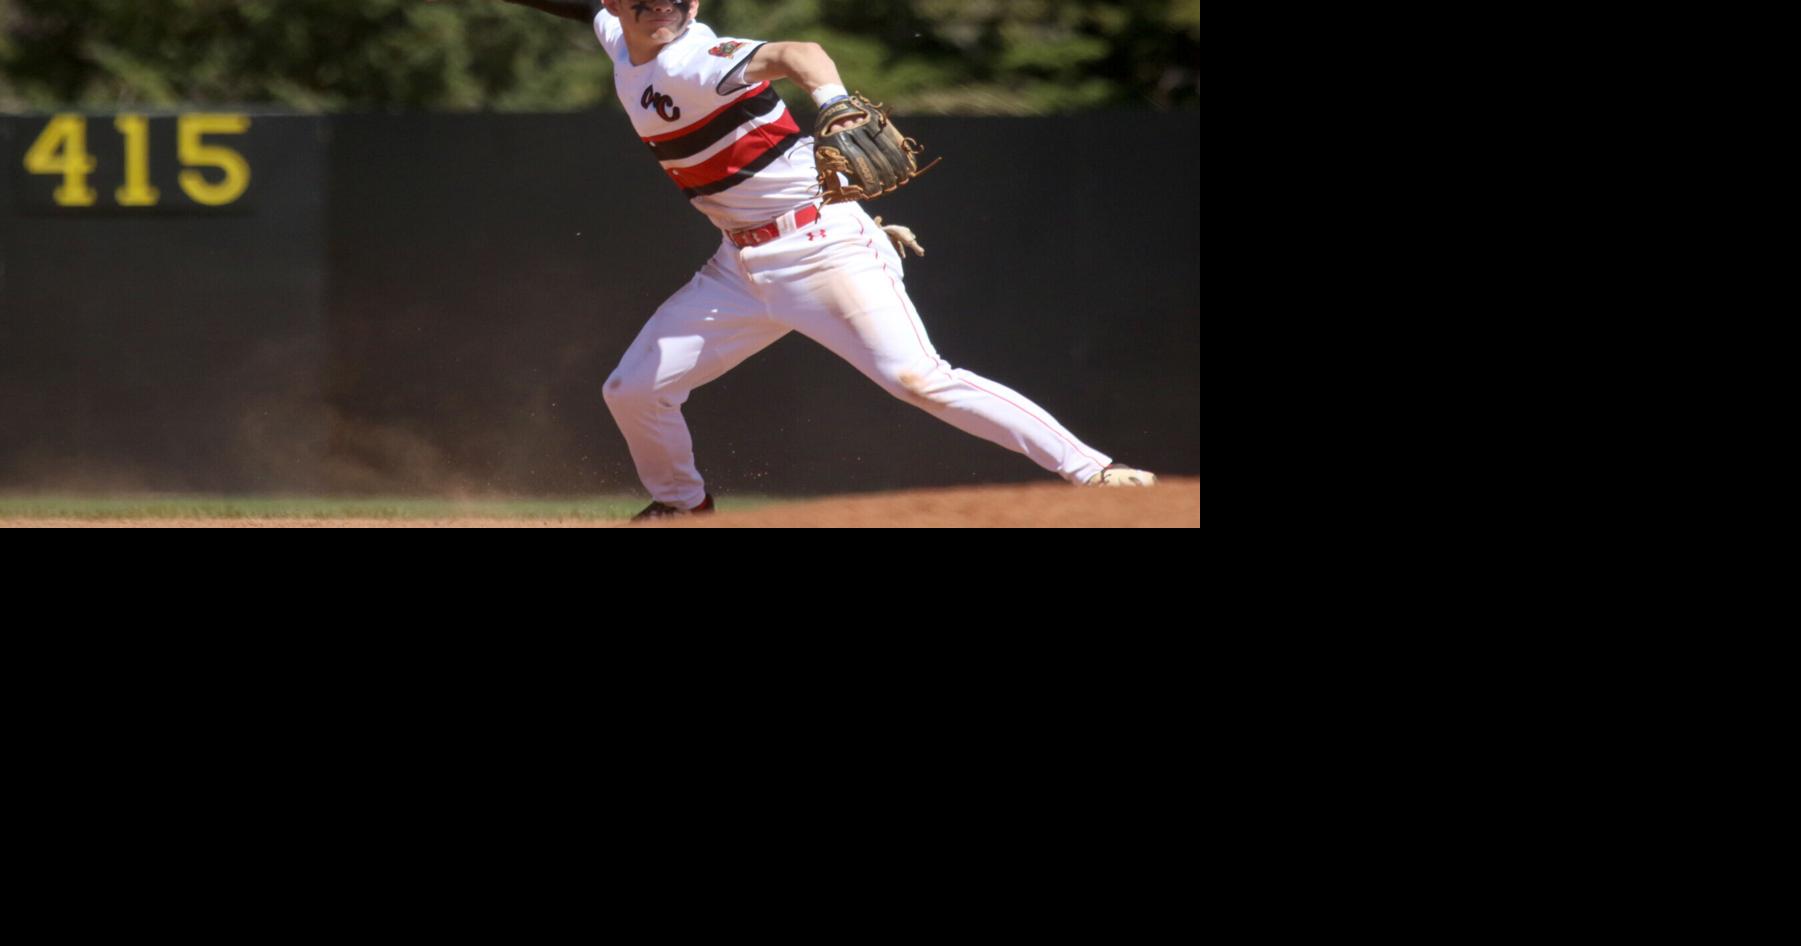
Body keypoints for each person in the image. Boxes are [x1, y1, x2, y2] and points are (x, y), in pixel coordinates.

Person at [441, 0, 1157, 519]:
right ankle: (682, 507)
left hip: (823, 247)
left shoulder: (695, 57)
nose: (664, 8)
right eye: (646, 1)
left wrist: (833, 101)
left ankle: (1096, 472)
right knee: (632, 390)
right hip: (737, 267)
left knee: (918, 378)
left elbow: (798, 53)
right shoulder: (620, 38)